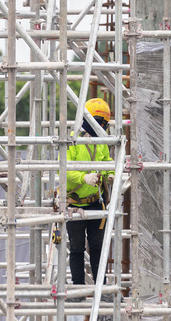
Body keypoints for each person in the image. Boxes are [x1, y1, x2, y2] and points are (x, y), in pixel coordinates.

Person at [66, 98, 114, 287]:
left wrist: (109, 174)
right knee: (77, 249)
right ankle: (78, 286)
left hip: (95, 202)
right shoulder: (71, 139)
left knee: (97, 247)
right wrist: (83, 178)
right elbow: (65, 171)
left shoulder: (100, 140)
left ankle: (100, 288)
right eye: (100, 122)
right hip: (75, 204)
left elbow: (107, 160)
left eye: (104, 124)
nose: (102, 127)